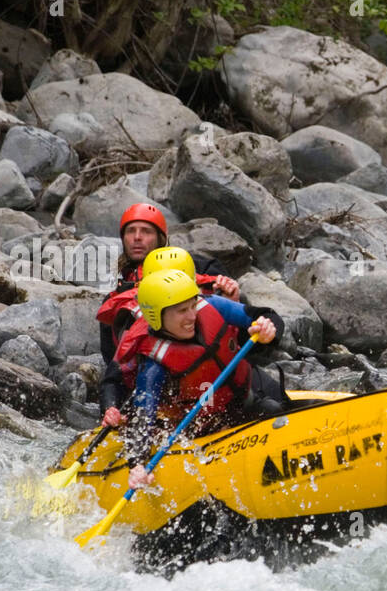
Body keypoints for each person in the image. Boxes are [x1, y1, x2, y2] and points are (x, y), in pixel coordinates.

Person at [115, 268, 287, 490]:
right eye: (181, 311)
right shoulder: (154, 364)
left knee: (273, 410)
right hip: (204, 432)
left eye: (192, 305)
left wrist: (268, 328)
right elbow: (142, 419)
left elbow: (265, 314)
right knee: (270, 411)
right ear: (157, 316)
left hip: (243, 401)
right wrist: (137, 465)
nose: (191, 316)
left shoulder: (211, 306)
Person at [99, 245, 241, 428]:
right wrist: (111, 409)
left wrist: (235, 303)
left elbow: (253, 348)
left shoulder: (213, 305)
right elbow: (113, 378)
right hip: (165, 409)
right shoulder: (136, 327)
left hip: (223, 399)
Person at [97, 207, 239, 370]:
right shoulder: (116, 298)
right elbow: (112, 359)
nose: (137, 237)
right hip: (156, 368)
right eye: (130, 231)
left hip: (215, 357)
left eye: (146, 231)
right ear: (123, 238)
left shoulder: (197, 266)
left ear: (160, 238)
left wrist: (232, 297)